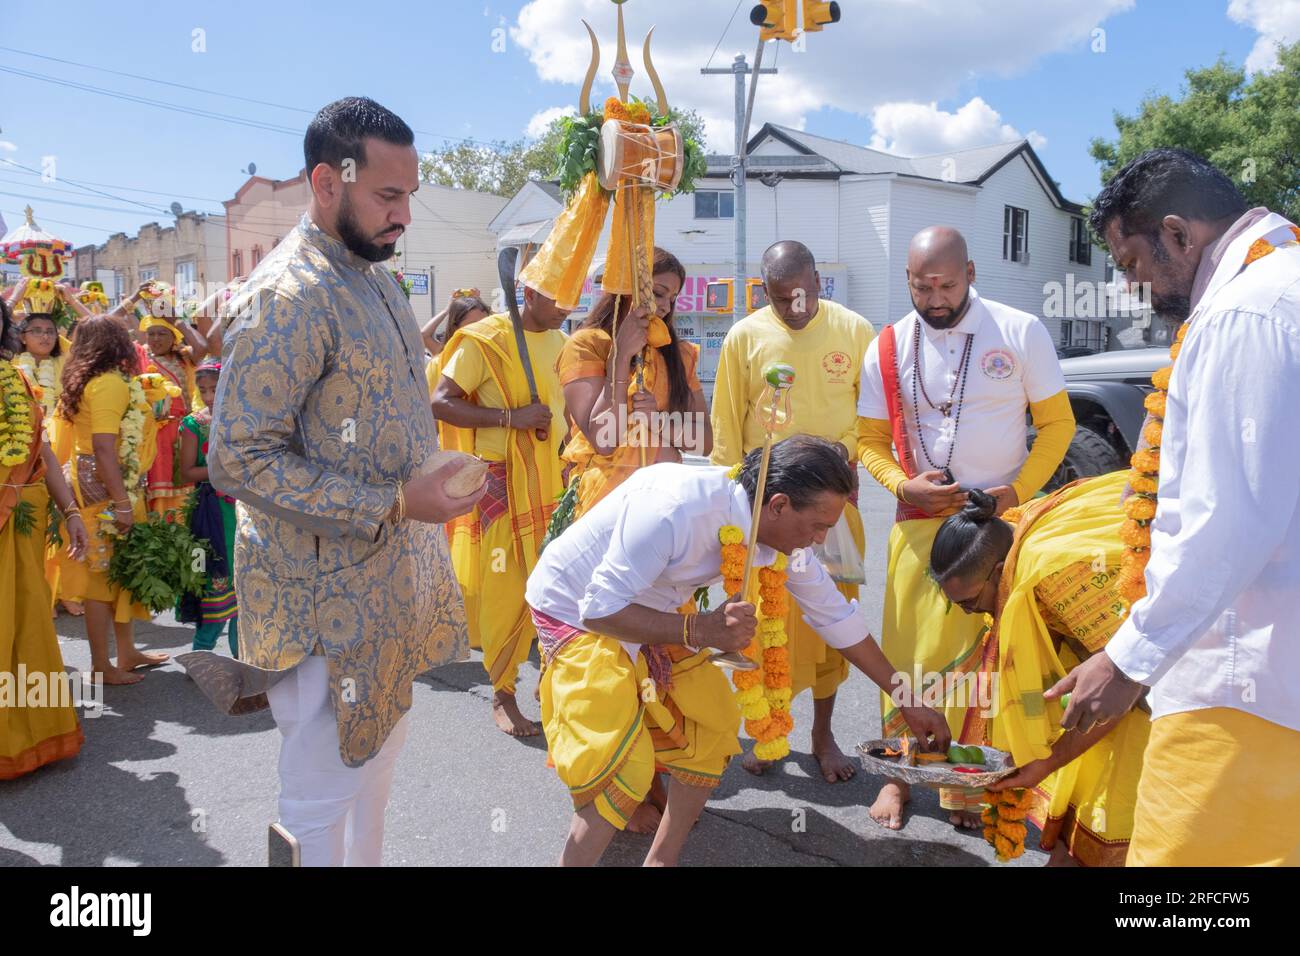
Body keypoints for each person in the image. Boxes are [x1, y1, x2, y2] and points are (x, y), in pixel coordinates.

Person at [180, 96, 482, 867]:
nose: (403, 214)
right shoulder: (288, 294)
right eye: (389, 195)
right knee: (318, 796)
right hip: (318, 605)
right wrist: (391, 501)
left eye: (409, 195)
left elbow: (383, 408)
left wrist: (435, 472)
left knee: (375, 774)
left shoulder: (374, 275)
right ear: (327, 182)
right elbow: (238, 458)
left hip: (386, 585)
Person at [526, 435, 953, 866]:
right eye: (819, 526)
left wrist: (908, 702)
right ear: (779, 505)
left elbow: (835, 617)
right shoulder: (672, 510)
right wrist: (697, 628)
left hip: (657, 610)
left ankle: (661, 861)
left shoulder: (781, 536)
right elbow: (599, 610)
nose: (821, 539)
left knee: (713, 730)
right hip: (575, 611)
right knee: (624, 769)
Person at [1056, 148, 1300, 866]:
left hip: (1243, 682)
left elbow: (1229, 520)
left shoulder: (1246, 312)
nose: (1133, 288)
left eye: (1132, 263)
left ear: (1178, 234)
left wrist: (1127, 660)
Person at [856, 225, 1075, 830]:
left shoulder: (1020, 330)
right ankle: (900, 777)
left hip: (996, 530)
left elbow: (1057, 426)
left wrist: (1016, 492)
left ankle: (967, 787)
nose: (934, 298)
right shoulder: (888, 345)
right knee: (907, 662)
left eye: (946, 285)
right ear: (907, 281)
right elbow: (869, 441)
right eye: (921, 286)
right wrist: (903, 485)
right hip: (919, 523)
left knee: (983, 662)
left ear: (971, 274)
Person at [710, 240, 874, 783]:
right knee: (762, 625)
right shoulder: (744, 336)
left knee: (831, 624)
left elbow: (872, 420)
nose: (796, 307)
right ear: (765, 292)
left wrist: (838, 460)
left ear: (819, 283)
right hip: (766, 513)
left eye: (805, 294)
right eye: (783, 299)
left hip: (832, 508)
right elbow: (727, 427)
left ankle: (822, 735)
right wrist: (732, 512)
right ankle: (767, 732)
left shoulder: (854, 331)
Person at [930, 474, 1150, 866]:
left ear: (999, 573)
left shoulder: (1051, 576)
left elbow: (1125, 685)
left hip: (1175, 676)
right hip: (1138, 659)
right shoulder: (1016, 522)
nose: (967, 612)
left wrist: (1046, 762)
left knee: (1116, 816)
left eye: (969, 601)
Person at [430, 283, 568, 737]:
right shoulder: (485, 338)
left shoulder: (564, 343)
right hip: (502, 479)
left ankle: (550, 680)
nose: (567, 308)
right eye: (558, 298)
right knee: (507, 587)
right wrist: (511, 419)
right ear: (528, 292)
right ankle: (502, 691)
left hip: (555, 479)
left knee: (557, 584)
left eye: (573, 297)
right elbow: (441, 401)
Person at [0, 294, 89, 778]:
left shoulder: (17, 380)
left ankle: (34, 734)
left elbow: (46, 453)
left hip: (24, 515)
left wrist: (70, 510)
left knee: (29, 621)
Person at [54, 316, 167, 684]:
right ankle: (102, 665)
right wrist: (121, 502)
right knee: (101, 581)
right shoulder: (109, 384)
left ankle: (127, 652)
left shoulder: (93, 380)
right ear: (117, 343)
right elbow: (104, 448)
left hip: (103, 483)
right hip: (106, 490)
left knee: (122, 573)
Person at [560, 247, 710, 517]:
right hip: (603, 506)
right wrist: (620, 358)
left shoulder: (680, 355)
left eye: (672, 298)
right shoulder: (587, 345)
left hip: (663, 504)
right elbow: (604, 441)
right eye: (658, 293)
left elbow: (704, 442)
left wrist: (657, 421)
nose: (665, 306)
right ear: (625, 289)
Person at [178, 360, 238, 657]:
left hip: (243, 509)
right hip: (210, 513)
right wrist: (222, 471)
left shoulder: (244, 420)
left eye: (215, 389)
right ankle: (201, 654)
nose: (209, 396)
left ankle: (246, 660)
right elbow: (186, 472)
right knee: (212, 580)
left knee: (246, 588)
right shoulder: (194, 424)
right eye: (203, 390)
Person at [421, 287, 483, 356]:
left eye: (483, 322)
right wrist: (446, 310)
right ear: (455, 326)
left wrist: (478, 302)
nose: (480, 327)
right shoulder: (448, 353)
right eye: (473, 324)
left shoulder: (488, 349)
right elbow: (424, 335)